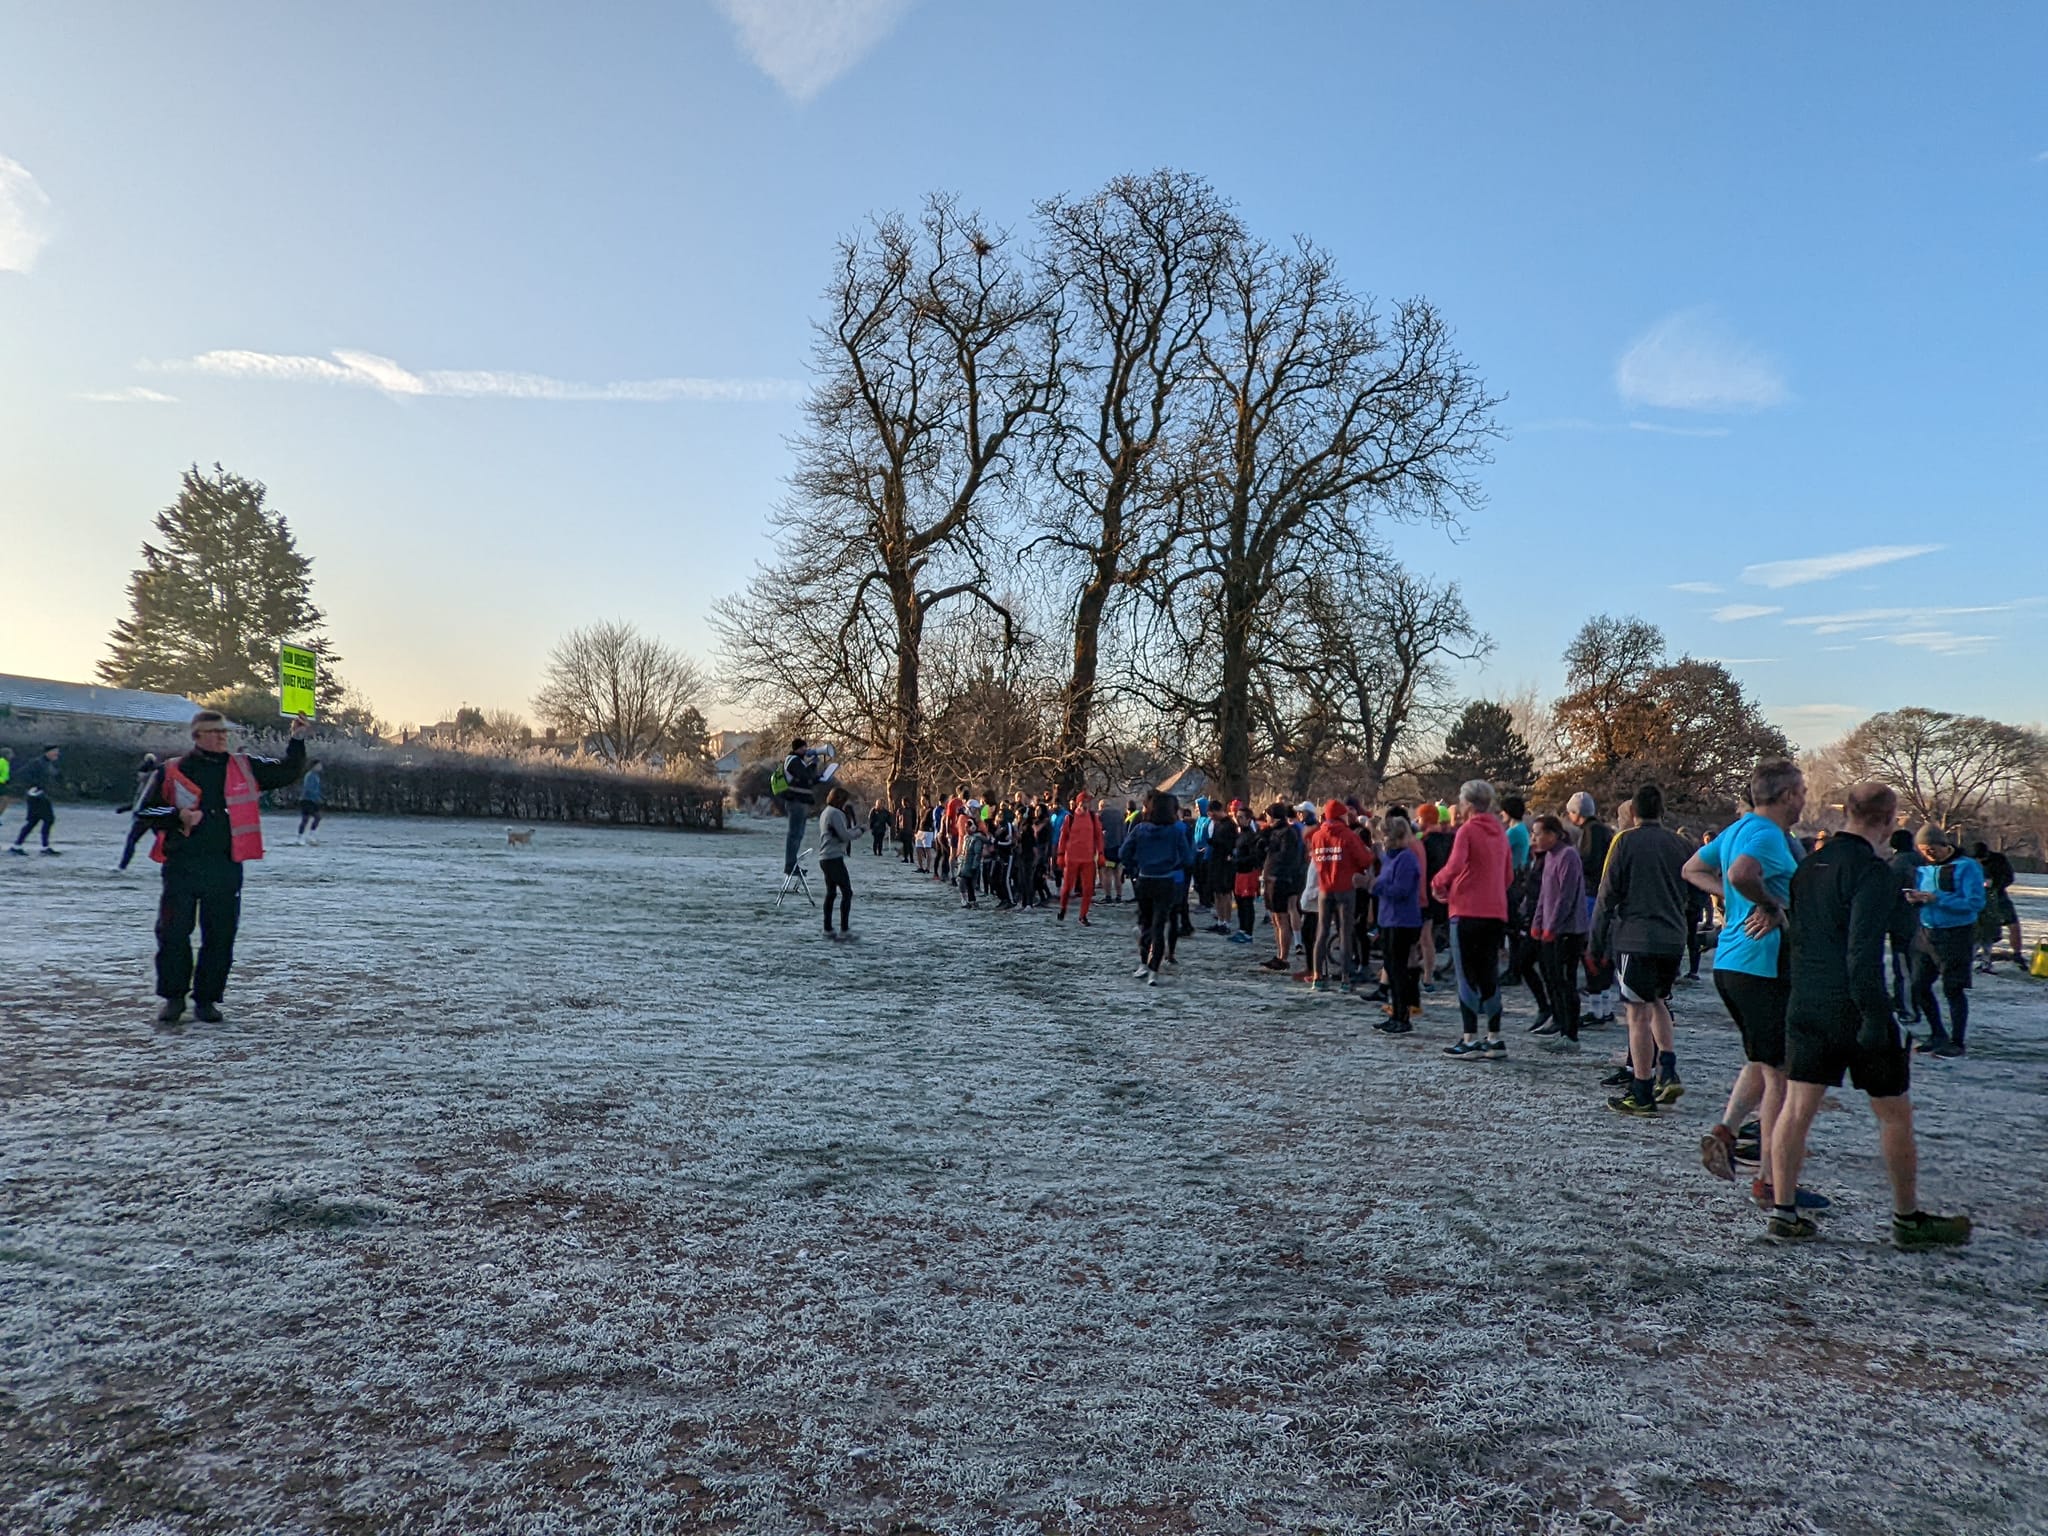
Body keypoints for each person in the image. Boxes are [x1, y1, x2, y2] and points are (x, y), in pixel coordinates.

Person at [1769, 782, 1971, 1249]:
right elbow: (1862, 953)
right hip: (1857, 1006)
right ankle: (1907, 1217)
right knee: (1893, 1113)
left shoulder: (1807, 867)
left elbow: (1799, 936)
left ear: (1847, 812)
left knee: (1796, 1109)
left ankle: (1783, 1210)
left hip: (1807, 1001)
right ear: (1889, 818)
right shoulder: (1872, 873)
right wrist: (1876, 1017)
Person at [135, 711, 308, 1023]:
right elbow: (144, 809)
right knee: (173, 933)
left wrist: (296, 740)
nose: (220, 736)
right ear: (196, 736)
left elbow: (287, 772)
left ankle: (207, 1001)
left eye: (223, 732)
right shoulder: (172, 769)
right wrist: (178, 816)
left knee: (220, 936)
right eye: (212, 732)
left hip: (225, 866)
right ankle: (174, 998)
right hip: (182, 865)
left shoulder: (242, 766)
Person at [1685, 758, 1806, 1183]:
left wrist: (1740, 901)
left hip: (1730, 963)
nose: (1804, 800)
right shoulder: (1768, 834)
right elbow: (1740, 873)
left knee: (1761, 1057)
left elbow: (1693, 869)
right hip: (1761, 965)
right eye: (1803, 792)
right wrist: (1768, 902)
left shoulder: (1736, 830)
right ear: (1788, 795)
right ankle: (1772, 1184)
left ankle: (1726, 1132)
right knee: (1780, 1077)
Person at [1593, 784, 1692, 1113]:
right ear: (1662, 812)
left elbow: (1607, 895)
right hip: (1672, 937)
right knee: (1659, 1001)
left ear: (1633, 813)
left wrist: (1595, 941)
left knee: (1636, 1015)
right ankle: (1668, 1065)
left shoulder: (1624, 842)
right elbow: (1693, 893)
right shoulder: (1681, 844)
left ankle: (1642, 1088)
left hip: (1636, 938)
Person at [1431, 781, 1513, 1059]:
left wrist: (1438, 883)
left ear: (1467, 804)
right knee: (1489, 972)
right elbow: (1508, 875)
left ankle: (1470, 1038)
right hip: (1495, 910)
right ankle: (1495, 1037)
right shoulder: (1500, 832)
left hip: (1466, 909)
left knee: (1466, 976)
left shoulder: (1467, 830)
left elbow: (1454, 866)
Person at [1907, 825, 1985, 1057]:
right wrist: (1915, 898)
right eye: (1923, 850)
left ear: (1945, 845)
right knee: (1918, 986)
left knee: (1953, 989)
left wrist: (1937, 899)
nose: (1928, 855)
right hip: (1926, 933)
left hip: (1956, 935)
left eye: (1932, 850)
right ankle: (1937, 1033)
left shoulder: (1967, 867)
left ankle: (1957, 1041)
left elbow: (1974, 903)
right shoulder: (1923, 868)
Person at [1121, 790, 1191, 986]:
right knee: (1159, 926)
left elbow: (1124, 852)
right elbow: (1187, 858)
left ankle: (1144, 959)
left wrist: (1135, 865)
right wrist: (1172, 864)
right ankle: (1154, 970)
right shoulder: (1176, 831)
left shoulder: (1140, 829)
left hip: (1145, 878)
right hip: (1166, 880)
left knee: (1146, 923)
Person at [1306, 800, 1370, 993]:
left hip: (1324, 889)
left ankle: (1318, 977)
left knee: (1322, 932)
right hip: (1345, 888)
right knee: (1345, 933)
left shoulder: (1317, 836)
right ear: (1341, 815)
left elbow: (1315, 860)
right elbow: (1364, 860)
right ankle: (1345, 978)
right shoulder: (1349, 836)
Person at [1566, 792, 1617, 1023]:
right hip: (1605, 896)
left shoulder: (1590, 832)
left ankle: (1596, 1009)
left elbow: (1587, 862)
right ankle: (1605, 1006)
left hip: (1590, 895)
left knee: (1591, 950)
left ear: (1577, 813)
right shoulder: (1606, 830)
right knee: (1604, 951)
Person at [1371, 815, 1424, 1033]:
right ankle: (1398, 1012)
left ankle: (1402, 1016)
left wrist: (1373, 886)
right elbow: (1386, 865)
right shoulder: (1393, 858)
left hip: (1402, 921)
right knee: (1393, 969)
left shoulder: (1406, 859)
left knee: (1398, 969)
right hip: (1389, 919)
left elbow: (1401, 891)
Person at [1258, 803, 1307, 974]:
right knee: (1275, 919)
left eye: (1268, 815)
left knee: (1282, 918)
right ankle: (1279, 955)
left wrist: (1271, 850)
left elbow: (1287, 856)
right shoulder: (1273, 831)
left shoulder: (1288, 832)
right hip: (1271, 877)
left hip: (1281, 879)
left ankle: (1283, 957)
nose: (1267, 819)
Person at [1971, 841, 2022, 972]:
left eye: (1982, 859)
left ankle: (2017, 954)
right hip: (1977, 897)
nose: (1980, 861)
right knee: (1979, 929)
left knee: (2013, 924)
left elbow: (2009, 877)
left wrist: (1995, 884)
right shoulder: (1968, 861)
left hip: (1998, 896)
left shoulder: (1998, 860)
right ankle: (1977, 956)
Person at [1056, 791, 1105, 924]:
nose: (1086, 804)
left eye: (1088, 802)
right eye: (1084, 801)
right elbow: (1063, 837)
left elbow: (1098, 837)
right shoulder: (1070, 818)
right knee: (1067, 888)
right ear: (1078, 802)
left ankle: (1083, 915)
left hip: (1088, 858)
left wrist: (1100, 853)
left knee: (1088, 889)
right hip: (1071, 858)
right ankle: (1063, 907)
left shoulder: (1093, 817)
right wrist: (1060, 854)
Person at [777, 738, 821, 876]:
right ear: (796, 749)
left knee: (798, 835)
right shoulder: (793, 761)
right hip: (796, 802)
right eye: (803, 748)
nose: (806, 750)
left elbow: (806, 780)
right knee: (794, 835)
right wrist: (813, 765)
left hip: (801, 801)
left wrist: (816, 777)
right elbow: (805, 776)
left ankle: (792, 864)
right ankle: (790, 866)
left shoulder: (798, 761)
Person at [8, 745, 63, 855]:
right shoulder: (37, 762)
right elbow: (22, 774)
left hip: (41, 795)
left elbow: (51, 776)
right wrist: (32, 787)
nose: (57, 754)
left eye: (57, 752)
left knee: (33, 821)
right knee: (48, 819)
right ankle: (44, 847)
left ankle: (17, 845)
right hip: (37, 795)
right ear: (48, 752)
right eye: (55, 752)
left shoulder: (48, 764)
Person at [817, 785, 856, 938]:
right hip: (833, 857)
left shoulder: (825, 812)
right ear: (838, 800)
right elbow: (844, 835)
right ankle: (844, 930)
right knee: (847, 892)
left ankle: (828, 928)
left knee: (831, 893)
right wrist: (860, 830)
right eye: (844, 800)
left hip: (825, 857)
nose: (845, 804)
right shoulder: (836, 813)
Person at [117, 752, 163, 870]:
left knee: (132, 840)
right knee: (164, 841)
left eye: (139, 774)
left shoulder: (148, 783)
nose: (138, 777)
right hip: (155, 815)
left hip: (146, 815)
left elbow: (143, 801)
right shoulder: (154, 780)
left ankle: (123, 866)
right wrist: (125, 808)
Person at [1206, 796, 1241, 934]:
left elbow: (1230, 844)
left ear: (1218, 811)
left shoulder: (1229, 825)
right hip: (1216, 862)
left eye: (1212, 814)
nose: (1211, 817)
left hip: (1226, 864)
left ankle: (1226, 922)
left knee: (1226, 893)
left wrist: (1215, 843)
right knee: (1217, 893)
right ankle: (1220, 920)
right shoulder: (1218, 824)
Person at [1228, 802, 1261, 945]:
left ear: (1248, 819)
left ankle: (1248, 933)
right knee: (1240, 903)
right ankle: (1242, 929)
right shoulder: (1239, 834)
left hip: (1248, 872)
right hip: (1238, 872)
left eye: (1241, 817)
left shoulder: (1251, 836)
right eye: (1237, 817)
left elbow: (1254, 856)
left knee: (1247, 904)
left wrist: (1238, 860)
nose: (1238, 819)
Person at [295, 758, 325, 844]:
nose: (320, 767)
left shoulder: (316, 776)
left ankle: (310, 836)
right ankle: (301, 837)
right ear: (314, 766)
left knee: (316, 818)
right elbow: (308, 788)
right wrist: (315, 796)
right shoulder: (310, 775)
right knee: (308, 818)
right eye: (319, 765)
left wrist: (319, 797)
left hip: (313, 800)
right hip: (307, 800)